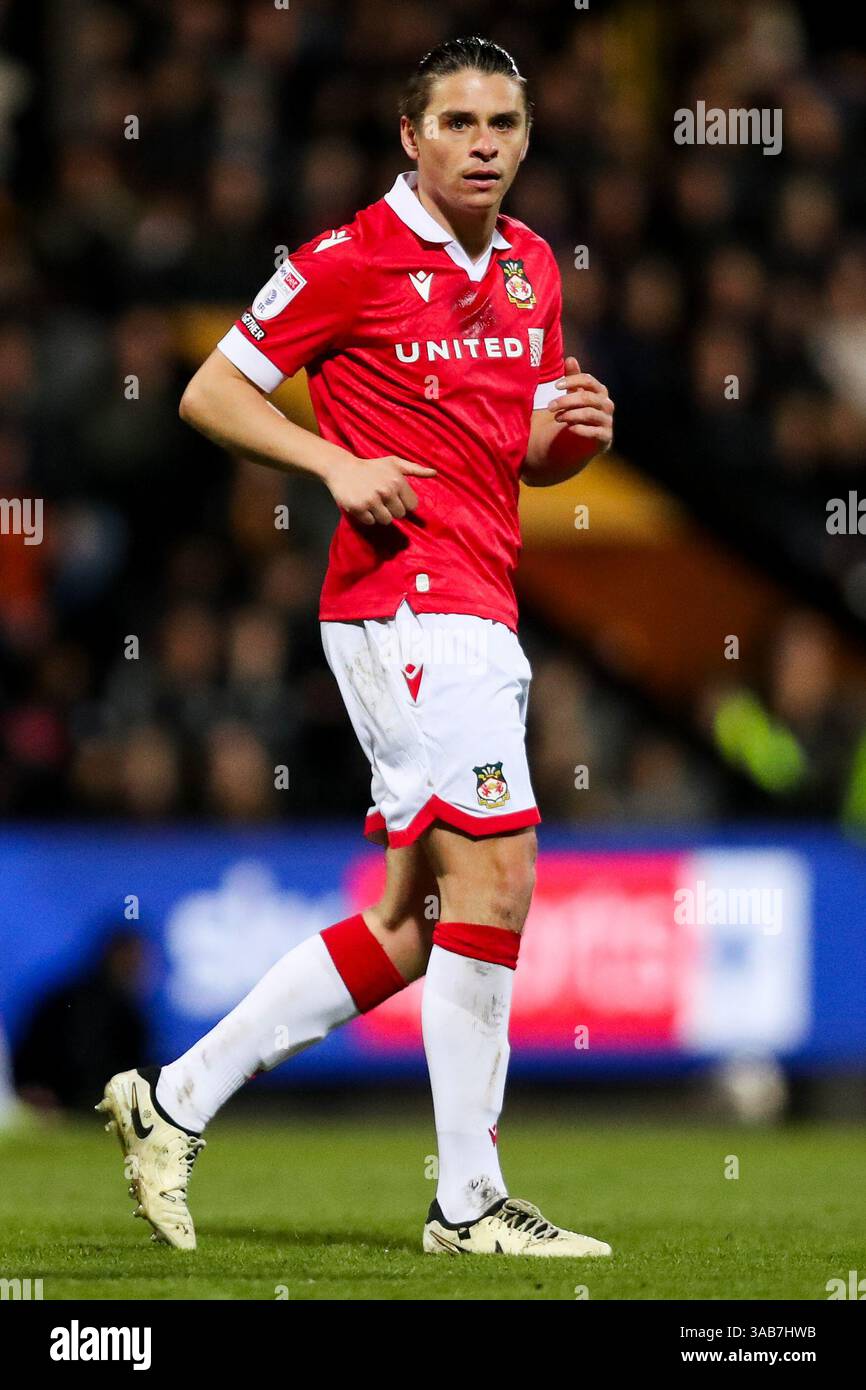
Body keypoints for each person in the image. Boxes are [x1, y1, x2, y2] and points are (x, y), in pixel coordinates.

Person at [97, 35, 615, 1258]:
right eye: (457, 123)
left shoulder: (533, 268)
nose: (481, 143)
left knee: (422, 918)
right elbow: (212, 388)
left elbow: (521, 451)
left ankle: (172, 1101)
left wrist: (574, 441)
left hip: (481, 593)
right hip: (399, 601)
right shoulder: (349, 258)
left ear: (525, 140)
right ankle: (468, 1203)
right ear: (410, 137)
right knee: (498, 872)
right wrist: (331, 460)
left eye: (502, 123)